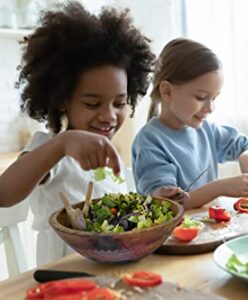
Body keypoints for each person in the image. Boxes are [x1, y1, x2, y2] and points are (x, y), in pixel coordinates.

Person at [0, 1, 155, 265]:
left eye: (119, 103)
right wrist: (62, 144)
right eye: (92, 104)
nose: (108, 115)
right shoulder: (50, 148)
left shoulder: (108, 153)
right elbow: (4, 193)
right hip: (64, 279)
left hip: (110, 272)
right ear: (62, 99)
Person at [132, 37, 248, 210]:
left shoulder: (207, 130)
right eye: (201, 97)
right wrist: (221, 187)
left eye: (214, 98)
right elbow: (167, 205)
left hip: (210, 229)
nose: (210, 108)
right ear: (167, 92)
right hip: (173, 235)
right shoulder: (150, 141)